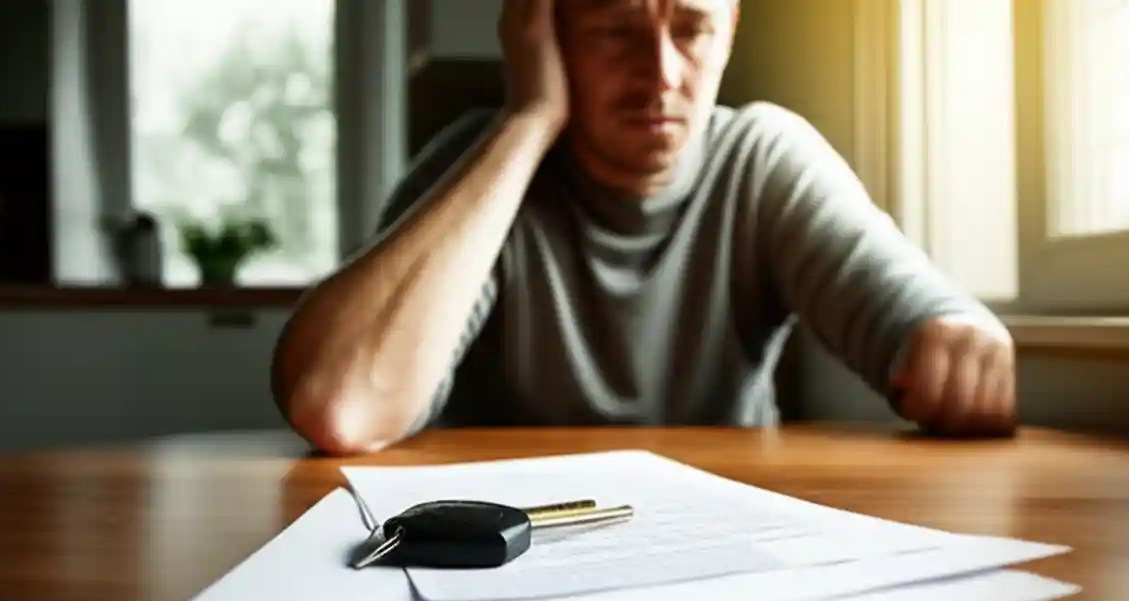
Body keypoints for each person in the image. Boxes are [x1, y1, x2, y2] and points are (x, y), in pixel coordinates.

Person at [271, 0, 1017, 455]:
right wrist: (529, 119)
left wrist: (956, 344)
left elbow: (932, 327)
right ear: (548, 31)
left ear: (729, 30)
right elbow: (337, 403)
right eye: (614, 30)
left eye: (691, 28)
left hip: (715, 554)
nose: (661, 73)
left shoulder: (761, 161)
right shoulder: (480, 169)